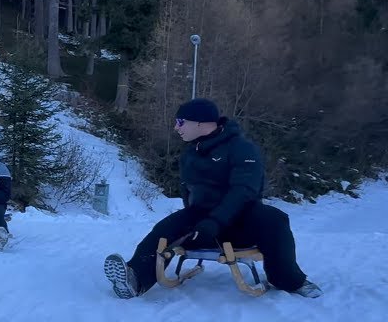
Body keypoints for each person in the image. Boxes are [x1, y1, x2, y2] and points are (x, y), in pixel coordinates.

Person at [103, 98, 321, 299]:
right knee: (165, 229)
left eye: (180, 122)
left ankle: (289, 280)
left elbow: (244, 190)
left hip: (241, 217)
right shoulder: (191, 153)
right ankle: (135, 278)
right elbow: (187, 189)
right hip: (202, 216)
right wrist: (195, 217)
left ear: (200, 122)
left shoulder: (241, 148)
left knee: (275, 219)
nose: (176, 127)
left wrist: (215, 221)